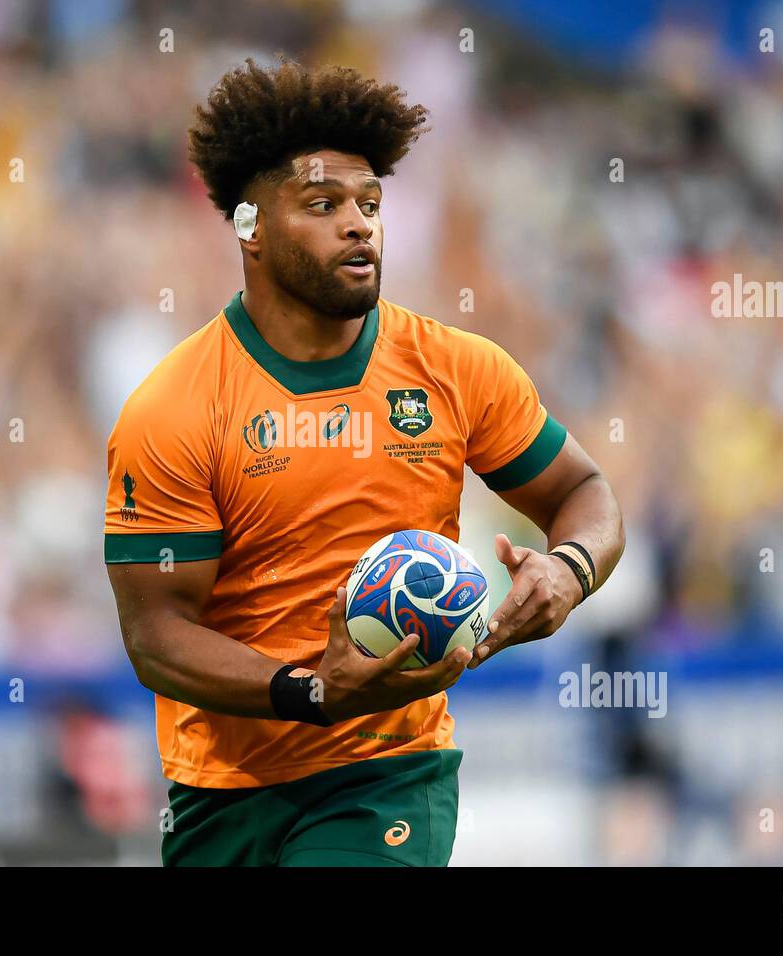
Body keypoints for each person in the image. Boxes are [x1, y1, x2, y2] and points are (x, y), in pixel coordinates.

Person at [103, 58, 625, 866]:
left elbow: (584, 492)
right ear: (250, 227)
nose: (359, 224)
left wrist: (569, 569)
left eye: (370, 204)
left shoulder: (457, 369)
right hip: (220, 792)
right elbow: (157, 636)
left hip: (386, 773)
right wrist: (309, 691)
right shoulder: (173, 408)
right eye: (322, 205)